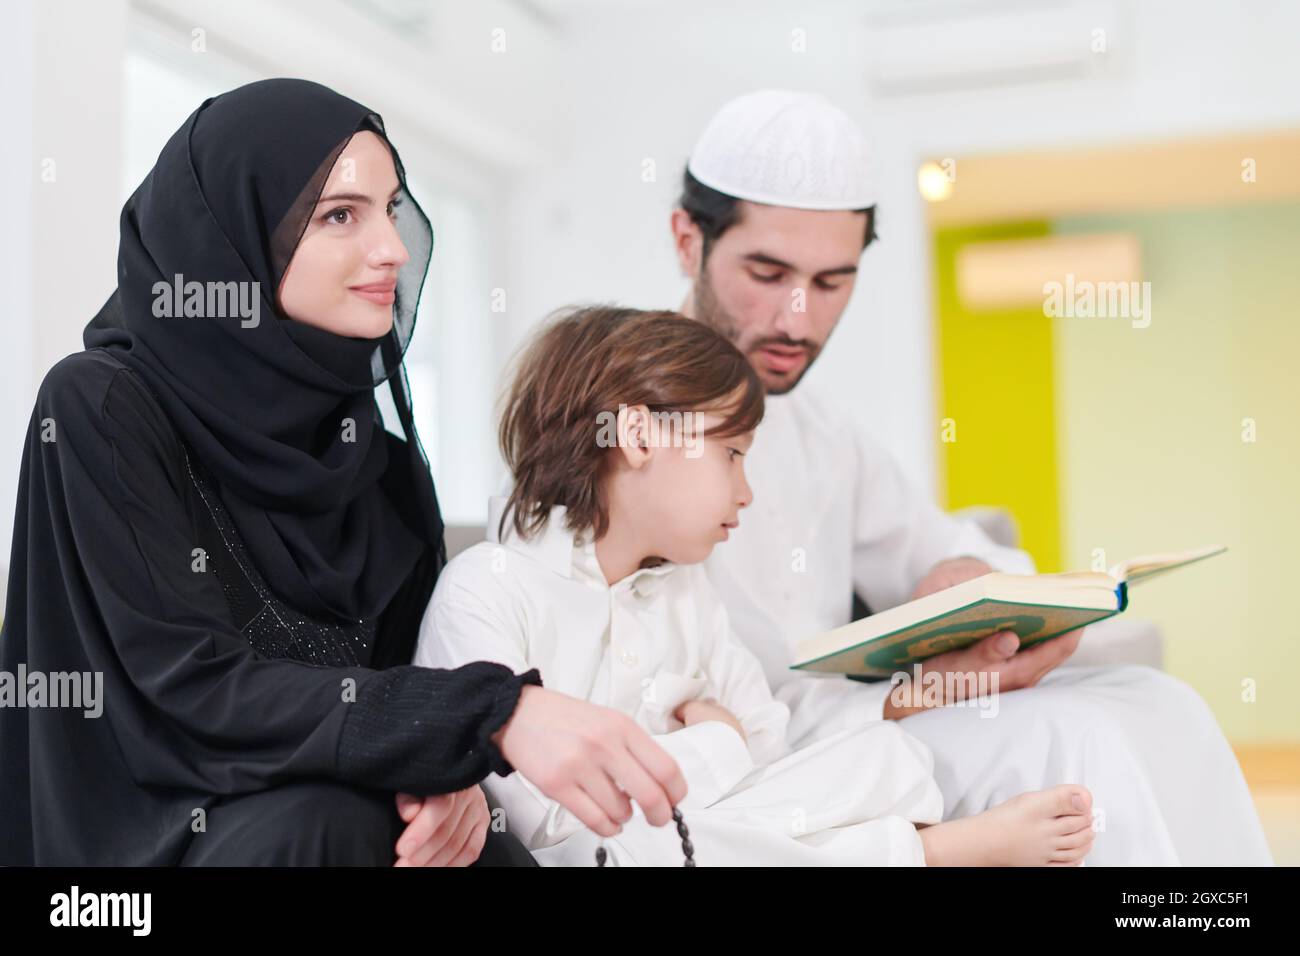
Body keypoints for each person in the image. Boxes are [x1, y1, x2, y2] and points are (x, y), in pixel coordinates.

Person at [0, 78, 684, 867]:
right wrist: (481, 719)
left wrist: (438, 772)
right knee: (322, 828)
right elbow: (190, 688)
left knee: (469, 841)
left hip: (333, 805)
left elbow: (400, 686)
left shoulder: (377, 462)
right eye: (338, 216)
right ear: (233, 237)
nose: (391, 248)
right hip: (147, 835)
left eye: (390, 209)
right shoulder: (102, 407)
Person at [671, 89, 1272, 865]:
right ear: (688, 240)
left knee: (1161, 703)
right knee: (1080, 740)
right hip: (790, 754)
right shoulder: (626, 425)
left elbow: (940, 547)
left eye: (831, 283)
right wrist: (917, 692)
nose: (797, 320)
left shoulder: (822, 429)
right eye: (768, 271)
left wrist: (968, 580)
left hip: (866, 717)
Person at [417, 305, 1096, 866]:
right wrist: (715, 743)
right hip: (599, 858)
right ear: (639, 437)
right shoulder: (487, 590)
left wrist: (727, 751)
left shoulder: (685, 589)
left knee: (890, 759)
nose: (745, 492)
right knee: (633, 851)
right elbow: (556, 832)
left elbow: (769, 745)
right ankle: (929, 855)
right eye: (732, 454)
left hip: (710, 828)